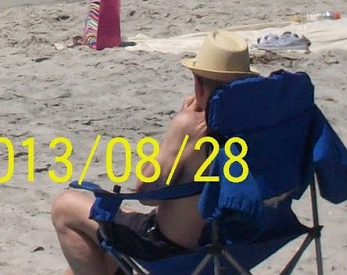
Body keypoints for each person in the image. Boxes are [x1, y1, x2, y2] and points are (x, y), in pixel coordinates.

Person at [50, 30, 253, 274]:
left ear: (198, 84)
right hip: (243, 239)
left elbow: (147, 194)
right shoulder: (260, 125)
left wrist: (178, 126)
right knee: (90, 251)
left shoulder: (192, 125)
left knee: (65, 207)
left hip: (170, 247)